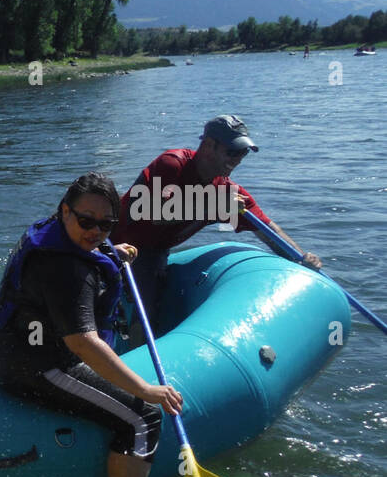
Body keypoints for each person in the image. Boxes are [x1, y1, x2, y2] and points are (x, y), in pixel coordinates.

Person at [0, 174, 183, 477]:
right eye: (86, 221)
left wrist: (110, 250)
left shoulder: (55, 233)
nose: (95, 231)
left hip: (10, 350)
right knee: (143, 418)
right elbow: (82, 342)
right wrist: (144, 389)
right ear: (65, 212)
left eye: (106, 225)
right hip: (37, 366)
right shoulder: (68, 270)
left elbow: (84, 247)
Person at [114, 115, 322, 340]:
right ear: (207, 145)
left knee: (158, 300)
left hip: (155, 250)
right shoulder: (172, 164)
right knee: (145, 311)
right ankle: (135, 360)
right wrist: (210, 206)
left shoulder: (228, 192)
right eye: (232, 152)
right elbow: (154, 215)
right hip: (118, 239)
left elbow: (266, 229)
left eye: (243, 153)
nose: (238, 159)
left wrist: (300, 258)